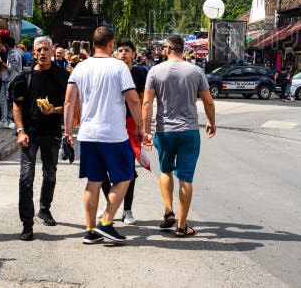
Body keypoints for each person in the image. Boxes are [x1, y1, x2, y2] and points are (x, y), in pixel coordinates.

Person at [63, 27, 144, 244]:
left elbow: (69, 102)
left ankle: (90, 230)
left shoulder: (80, 67)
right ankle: (106, 222)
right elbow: (133, 100)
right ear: (111, 44)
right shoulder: (118, 67)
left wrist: (67, 133)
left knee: (94, 180)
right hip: (113, 134)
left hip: (88, 134)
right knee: (126, 175)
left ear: (93, 43)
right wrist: (141, 127)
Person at [142, 34, 216, 238]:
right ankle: (182, 226)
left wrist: (146, 131)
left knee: (165, 170)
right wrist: (212, 121)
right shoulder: (196, 71)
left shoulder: (155, 71)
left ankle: (169, 211)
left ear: (167, 49)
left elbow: (147, 104)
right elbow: (208, 101)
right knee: (186, 178)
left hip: (165, 131)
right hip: (189, 131)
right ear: (182, 49)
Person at [10, 36, 69, 241]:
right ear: (33, 53)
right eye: (38, 50)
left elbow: (70, 106)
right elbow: (16, 105)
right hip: (30, 134)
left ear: (52, 51)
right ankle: (27, 224)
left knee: (50, 174)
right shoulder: (24, 77)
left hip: (51, 133)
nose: (42, 53)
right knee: (26, 178)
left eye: (45, 49)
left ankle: (44, 208)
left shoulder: (62, 76)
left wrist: (54, 110)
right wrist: (20, 131)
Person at [98, 38, 146, 225]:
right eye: (120, 50)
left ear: (134, 54)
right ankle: (109, 203)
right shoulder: (111, 70)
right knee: (101, 168)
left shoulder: (140, 73)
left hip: (131, 123)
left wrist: (143, 126)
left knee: (129, 169)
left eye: (127, 50)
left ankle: (127, 209)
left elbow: (142, 100)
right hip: (110, 123)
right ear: (115, 54)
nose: (123, 53)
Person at [0, 36, 22, 129]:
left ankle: (9, 120)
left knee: (9, 101)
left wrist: (1, 62)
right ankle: (4, 120)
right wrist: (3, 72)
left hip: (12, 81)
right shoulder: (11, 53)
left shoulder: (14, 54)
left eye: (2, 43)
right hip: (7, 80)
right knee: (3, 99)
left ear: (5, 44)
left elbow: (11, 68)